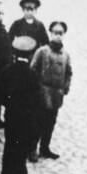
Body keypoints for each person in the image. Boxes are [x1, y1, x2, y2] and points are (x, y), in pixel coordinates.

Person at [0, 35, 41, 174]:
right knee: (21, 147)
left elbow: (1, 94)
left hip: (10, 114)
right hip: (26, 117)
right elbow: (36, 100)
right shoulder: (32, 75)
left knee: (10, 144)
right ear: (30, 55)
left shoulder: (6, 71)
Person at [30, 20, 73, 160]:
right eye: (55, 33)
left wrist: (65, 88)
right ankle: (32, 149)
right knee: (38, 122)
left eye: (61, 33)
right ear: (50, 33)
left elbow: (68, 73)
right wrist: (36, 89)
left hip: (56, 94)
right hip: (42, 92)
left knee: (50, 122)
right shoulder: (42, 51)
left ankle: (45, 148)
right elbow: (32, 70)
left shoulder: (65, 55)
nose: (58, 36)